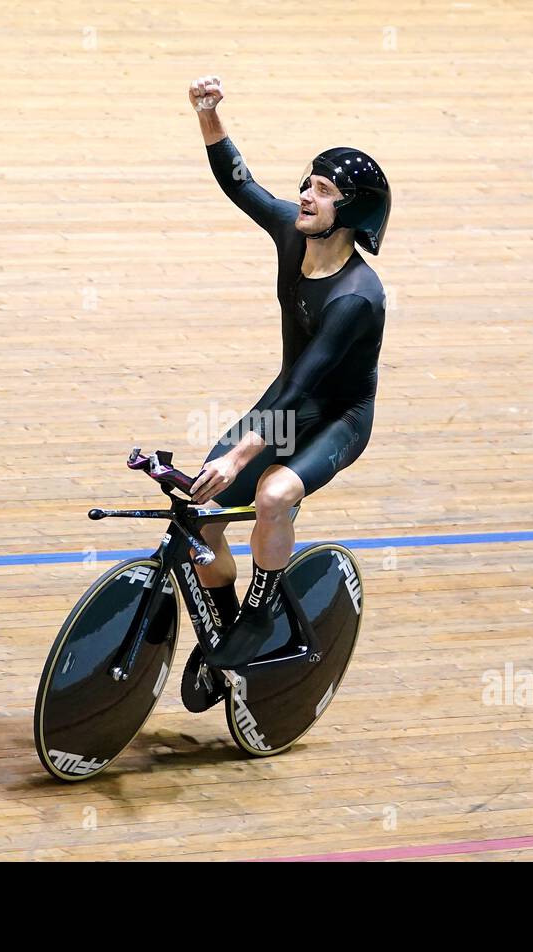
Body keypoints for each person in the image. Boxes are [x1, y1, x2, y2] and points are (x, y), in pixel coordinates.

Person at [181, 75, 390, 707]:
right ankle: (226, 635)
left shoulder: (358, 297)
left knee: (273, 494)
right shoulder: (292, 234)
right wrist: (209, 116)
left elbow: (302, 386)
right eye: (307, 183)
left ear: (348, 213)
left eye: (322, 192)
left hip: (336, 417)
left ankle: (264, 615)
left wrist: (240, 455)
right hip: (289, 405)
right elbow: (241, 184)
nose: (305, 196)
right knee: (200, 514)